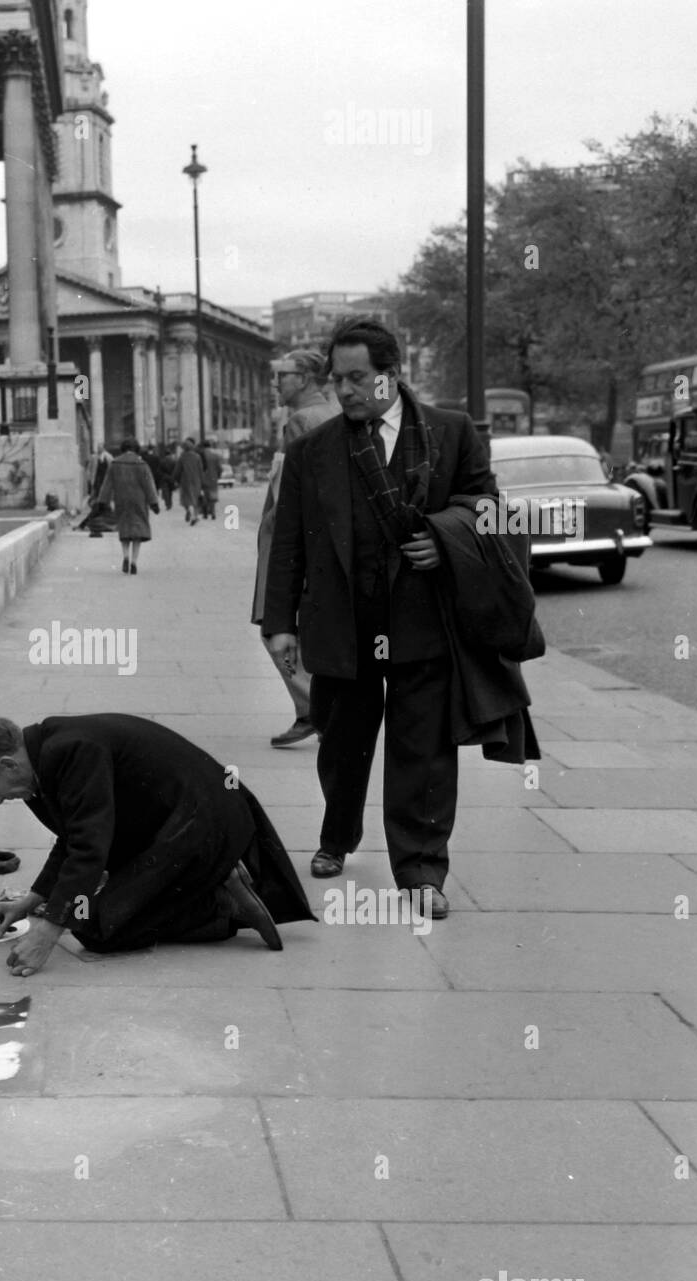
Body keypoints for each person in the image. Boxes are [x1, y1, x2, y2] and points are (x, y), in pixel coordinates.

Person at [262, 318, 497, 921]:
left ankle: (420, 871)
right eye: (338, 379)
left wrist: (445, 537)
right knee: (342, 744)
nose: (345, 390)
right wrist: (279, 622)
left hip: (423, 621)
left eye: (357, 377)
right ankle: (337, 834)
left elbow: (486, 507)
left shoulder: (452, 432)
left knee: (424, 749)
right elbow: (289, 540)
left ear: (391, 375)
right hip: (343, 623)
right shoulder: (311, 450)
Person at [0, 714, 314, 976]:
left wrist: (48, 932)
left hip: (202, 826)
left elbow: (88, 847)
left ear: (7, 764)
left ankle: (219, 904)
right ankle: (205, 886)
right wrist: (32, 901)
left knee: (97, 927)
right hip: (171, 822)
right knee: (86, 911)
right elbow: (72, 837)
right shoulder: (41, 760)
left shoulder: (71, 750)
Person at [252, 349, 341, 748]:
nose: (277, 383)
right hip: (319, 543)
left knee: (278, 628)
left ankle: (315, 711)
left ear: (304, 378)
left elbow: (288, 493)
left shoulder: (302, 422)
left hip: (293, 543)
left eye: (283, 375)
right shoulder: (329, 413)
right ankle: (316, 711)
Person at [96, 437, 160, 574]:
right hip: (139, 501)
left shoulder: (115, 463)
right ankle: (134, 562)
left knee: (124, 529)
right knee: (138, 530)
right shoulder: (142, 464)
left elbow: (107, 485)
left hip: (121, 500)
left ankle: (125, 556)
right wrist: (154, 503)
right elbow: (149, 486)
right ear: (136, 449)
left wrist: (102, 501)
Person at [174, 437, 205, 524]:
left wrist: (175, 479)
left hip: (185, 481)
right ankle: (194, 516)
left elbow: (177, 470)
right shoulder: (197, 457)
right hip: (196, 481)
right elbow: (201, 470)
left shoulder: (182, 457)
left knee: (186, 499)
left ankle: (189, 512)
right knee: (194, 499)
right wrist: (202, 482)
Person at [200, 437, 224, 520]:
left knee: (205, 496)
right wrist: (218, 475)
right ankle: (213, 513)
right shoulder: (215, 455)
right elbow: (220, 468)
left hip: (203, 479)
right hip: (213, 479)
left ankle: (205, 513)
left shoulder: (200, 455)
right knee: (213, 497)